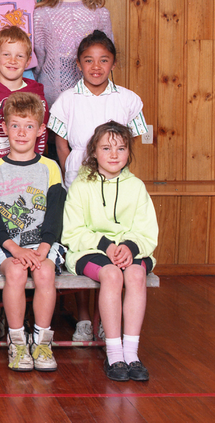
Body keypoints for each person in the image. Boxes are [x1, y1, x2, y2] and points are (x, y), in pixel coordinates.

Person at [48, 30, 148, 342]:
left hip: (114, 182)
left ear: (113, 63)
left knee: (113, 249)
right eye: (89, 60)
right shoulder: (67, 100)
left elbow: (131, 142)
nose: (96, 67)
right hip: (79, 179)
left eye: (103, 60)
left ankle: (107, 318)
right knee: (83, 246)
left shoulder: (128, 99)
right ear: (78, 64)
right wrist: (70, 171)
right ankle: (82, 317)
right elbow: (60, 143)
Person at [62, 121, 157, 382]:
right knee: (113, 275)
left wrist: (130, 247)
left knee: (136, 274)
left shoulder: (136, 186)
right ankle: (114, 354)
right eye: (106, 148)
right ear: (94, 152)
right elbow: (72, 233)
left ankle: (131, 353)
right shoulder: (81, 185)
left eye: (121, 148)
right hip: (90, 250)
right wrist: (107, 245)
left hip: (129, 249)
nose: (114, 155)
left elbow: (147, 231)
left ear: (129, 153)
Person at [0, 92, 66, 373]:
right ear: (4, 128)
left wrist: (43, 249)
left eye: (29, 126)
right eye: (15, 125)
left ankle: (42, 342)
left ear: (41, 130)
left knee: (44, 272)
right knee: (17, 272)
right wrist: (15, 249)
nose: (22, 133)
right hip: (6, 245)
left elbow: (55, 215)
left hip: (42, 244)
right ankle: (18, 341)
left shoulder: (50, 168)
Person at [32, 0, 114, 105]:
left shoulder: (100, 14)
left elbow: (107, 57)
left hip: (91, 96)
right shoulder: (42, 14)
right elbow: (38, 58)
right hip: (52, 95)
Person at [0, 25, 48, 162]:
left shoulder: (38, 99)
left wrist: (33, 165)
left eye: (20, 56)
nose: (13, 61)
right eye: (6, 54)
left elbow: (41, 138)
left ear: (28, 61)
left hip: (26, 168)